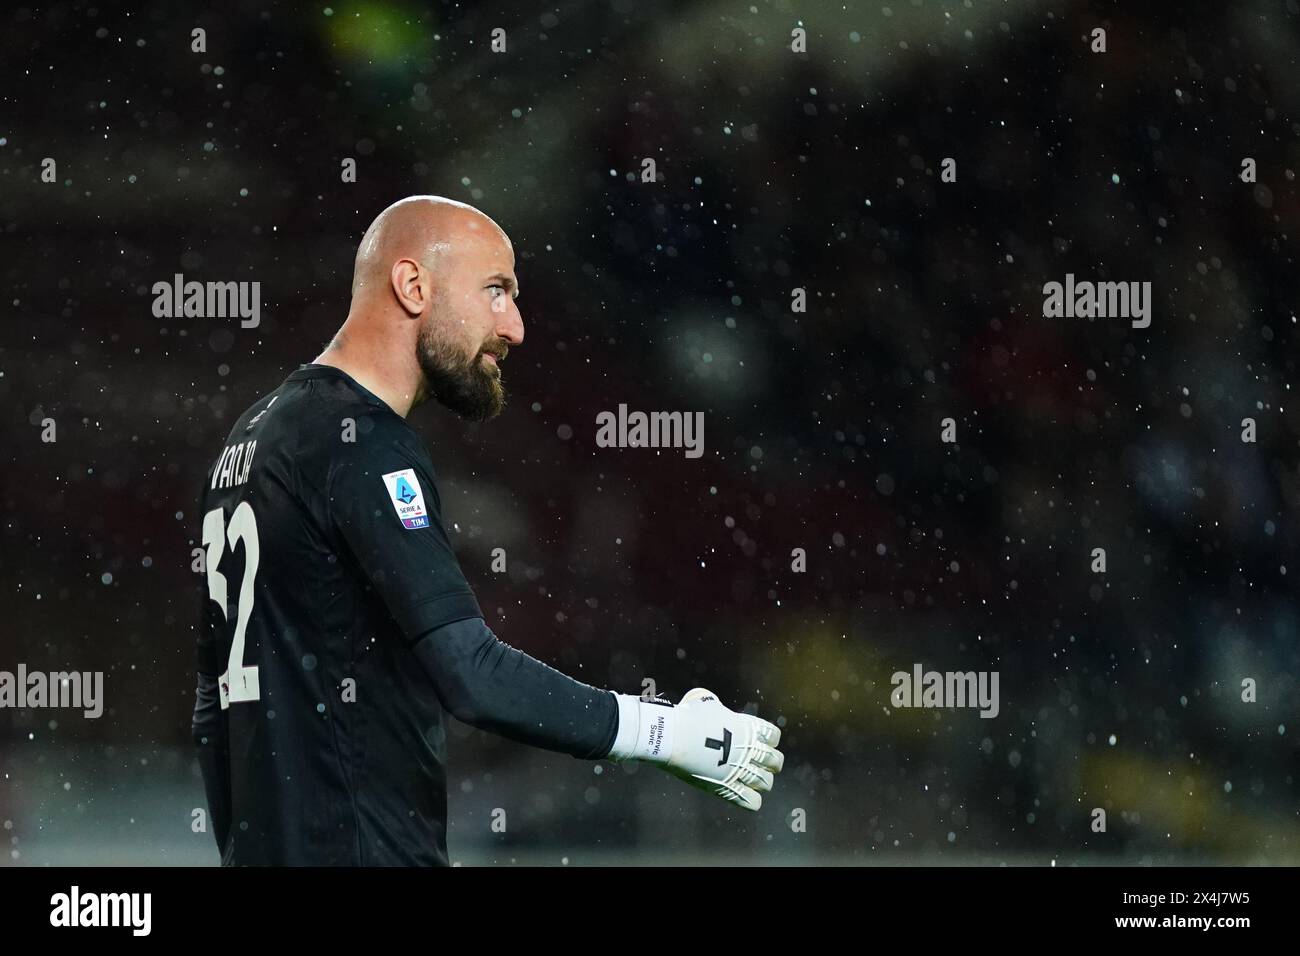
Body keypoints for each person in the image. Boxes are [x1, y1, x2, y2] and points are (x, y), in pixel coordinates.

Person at [191, 195, 783, 865]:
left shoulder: (256, 434)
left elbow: (212, 711)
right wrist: (670, 734)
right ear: (413, 286)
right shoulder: (363, 442)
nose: (517, 326)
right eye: (496, 291)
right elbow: (472, 674)